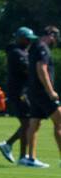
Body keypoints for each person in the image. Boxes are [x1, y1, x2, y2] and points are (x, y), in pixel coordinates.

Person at [0, 27, 36, 163]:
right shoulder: (16, 53)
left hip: (23, 92)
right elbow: (27, 70)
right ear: (19, 38)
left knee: (29, 123)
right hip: (19, 93)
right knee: (28, 123)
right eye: (27, 39)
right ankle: (21, 156)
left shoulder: (23, 51)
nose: (29, 41)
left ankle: (9, 145)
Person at [24, 25, 61, 166]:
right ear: (50, 35)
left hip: (34, 91)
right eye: (55, 36)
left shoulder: (34, 47)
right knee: (59, 122)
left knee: (34, 123)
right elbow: (42, 68)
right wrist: (50, 91)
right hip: (43, 92)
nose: (55, 39)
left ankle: (31, 158)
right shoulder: (43, 48)